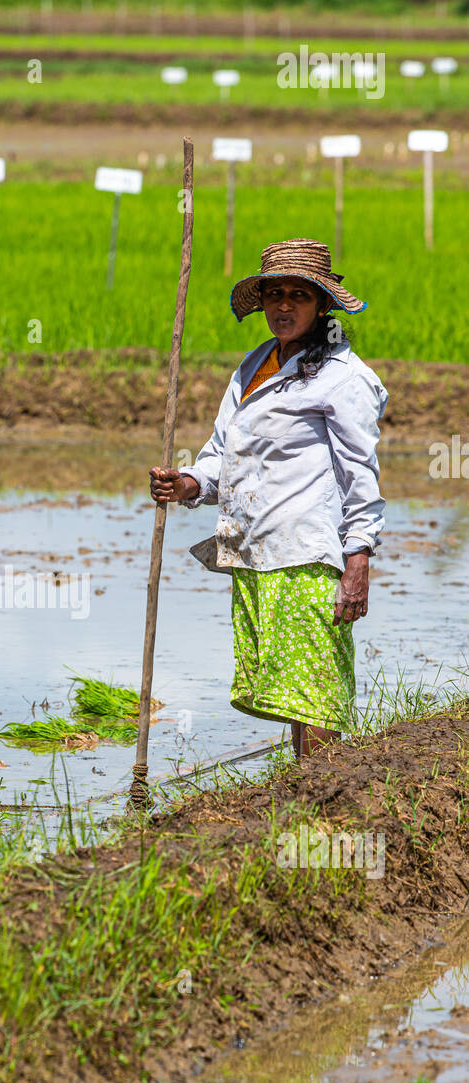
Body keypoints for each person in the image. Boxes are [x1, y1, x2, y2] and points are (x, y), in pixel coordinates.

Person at [150, 238, 387, 759]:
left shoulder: (343, 379)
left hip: (307, 555)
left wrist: (359, 558)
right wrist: (188, 484)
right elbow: (220, 455)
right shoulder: (253, 365)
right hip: (255, 553)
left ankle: (323, 799)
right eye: (274, 294)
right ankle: (304, 795)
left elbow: (360, 476)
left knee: (315, 694)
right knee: (287, 692)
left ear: (322, 304)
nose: (283, 306)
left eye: (298, 295)